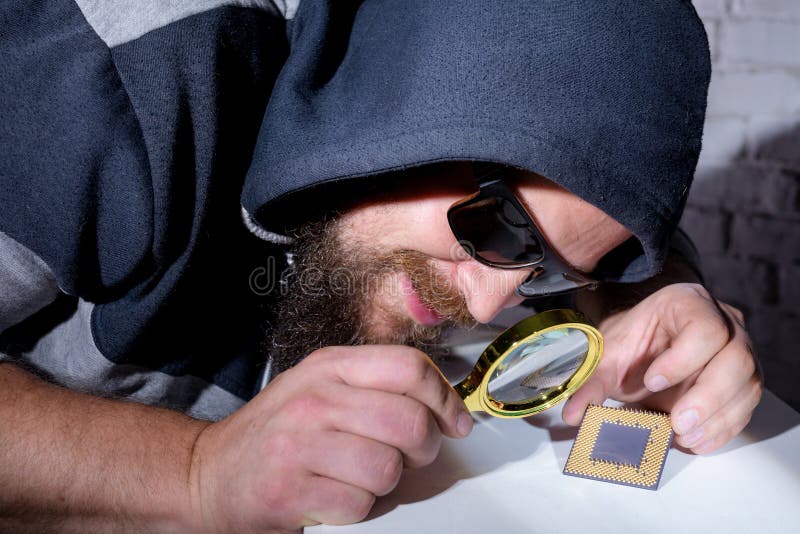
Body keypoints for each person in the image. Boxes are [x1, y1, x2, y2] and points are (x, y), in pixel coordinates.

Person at [0, 0, 761, 532]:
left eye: (548, 273)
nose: (495, 304)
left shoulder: (451, 160)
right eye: (500, 225)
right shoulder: (115, 72)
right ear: (410, 106)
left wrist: (654, 294)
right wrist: (195, 475)